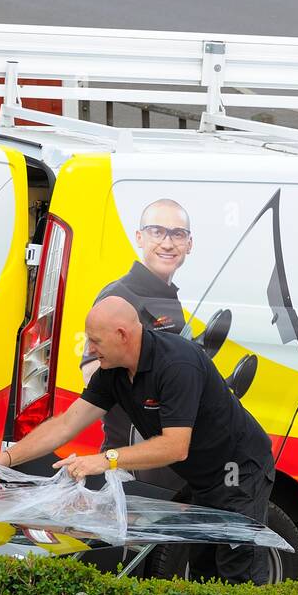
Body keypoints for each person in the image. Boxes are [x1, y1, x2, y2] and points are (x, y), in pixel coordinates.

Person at [0, 296, 275, 585]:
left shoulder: (177, 364)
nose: (90, 349)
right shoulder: (112, 370)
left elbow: (175, 446)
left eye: (96, 340)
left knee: (238, 571)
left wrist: (105, 459)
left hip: (239, 470)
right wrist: (6, 459)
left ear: (122, 334)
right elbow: (66, 423)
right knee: (201, 568)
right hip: (202, 478)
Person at [80, 199, 194, 490]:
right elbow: (91, 372)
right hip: (129, 466)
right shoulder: (119, 295)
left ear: (189, 244)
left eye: (177, 234)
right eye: (157, 231)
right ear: (140, 237)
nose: (167, 243)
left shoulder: (167, 295)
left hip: (162, 460)